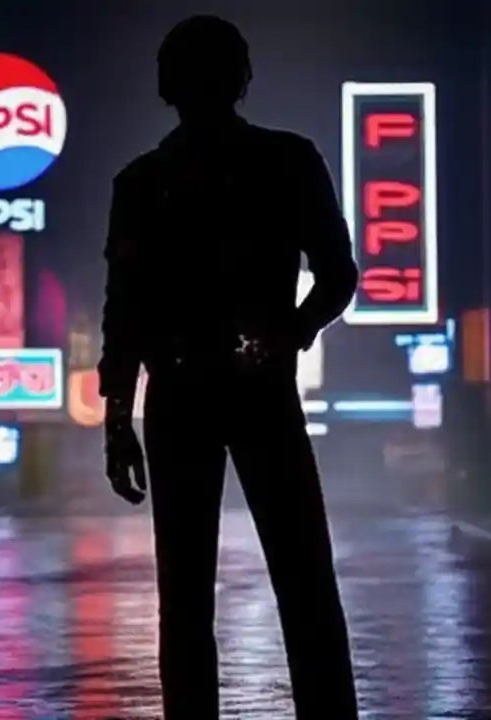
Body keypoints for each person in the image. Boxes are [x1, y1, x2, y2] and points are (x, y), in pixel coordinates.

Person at [98, 14, 360, 719]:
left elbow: (122, 316)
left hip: (180, 394)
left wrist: (117, 419)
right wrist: (291, 332)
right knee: (304, 581)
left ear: (166, 86)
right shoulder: (289, 160)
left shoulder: (141, 182)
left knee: (185, 595)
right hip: (260, 390)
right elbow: (338, 275)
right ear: (243, 79)